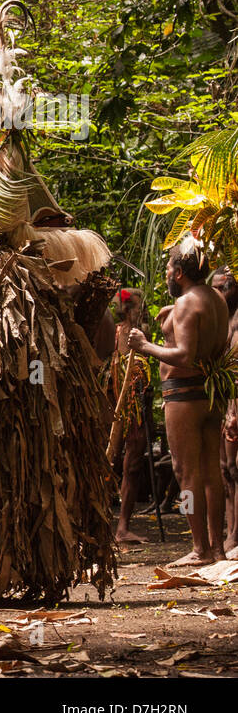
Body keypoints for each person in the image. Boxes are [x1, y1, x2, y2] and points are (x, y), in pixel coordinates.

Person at [129, 242, 230, 566]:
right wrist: (174, 312)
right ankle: (217, 548)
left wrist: (146, 346)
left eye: (170, 270)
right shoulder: (215, 299)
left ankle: (199, 548)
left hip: (184, 396)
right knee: (211, 471)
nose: (168, 275)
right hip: (210, 393)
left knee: (184, 472)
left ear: (180, 273)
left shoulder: (187, 302)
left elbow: (184, 354)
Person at [108, 288, 148, 544]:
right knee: (107, 460)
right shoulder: (113, 332)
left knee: (133, 465)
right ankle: (98, 525)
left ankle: (123, 527)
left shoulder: (142, 335)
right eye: (134, 305)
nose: (139, 309)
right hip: (113, 405)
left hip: (136, 406)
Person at [209, 267, 238, 556]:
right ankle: (229, 533)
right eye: (215, 287)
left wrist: (233, 411)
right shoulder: (220, 319)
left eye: (225, 287)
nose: (219, 293)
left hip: (234, 404)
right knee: (224, 472)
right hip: (220, 401)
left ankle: (234, 535)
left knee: (234, 469)